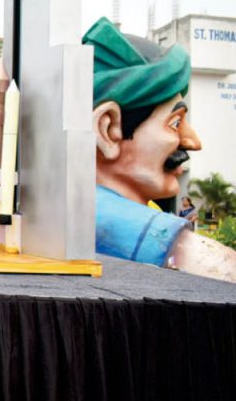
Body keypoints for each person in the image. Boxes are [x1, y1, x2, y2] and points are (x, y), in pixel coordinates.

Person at [83, 17, 235, 280]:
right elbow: (216, 267)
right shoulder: (97, 215)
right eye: (174, 123)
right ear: (107, 130)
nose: (192, 142)